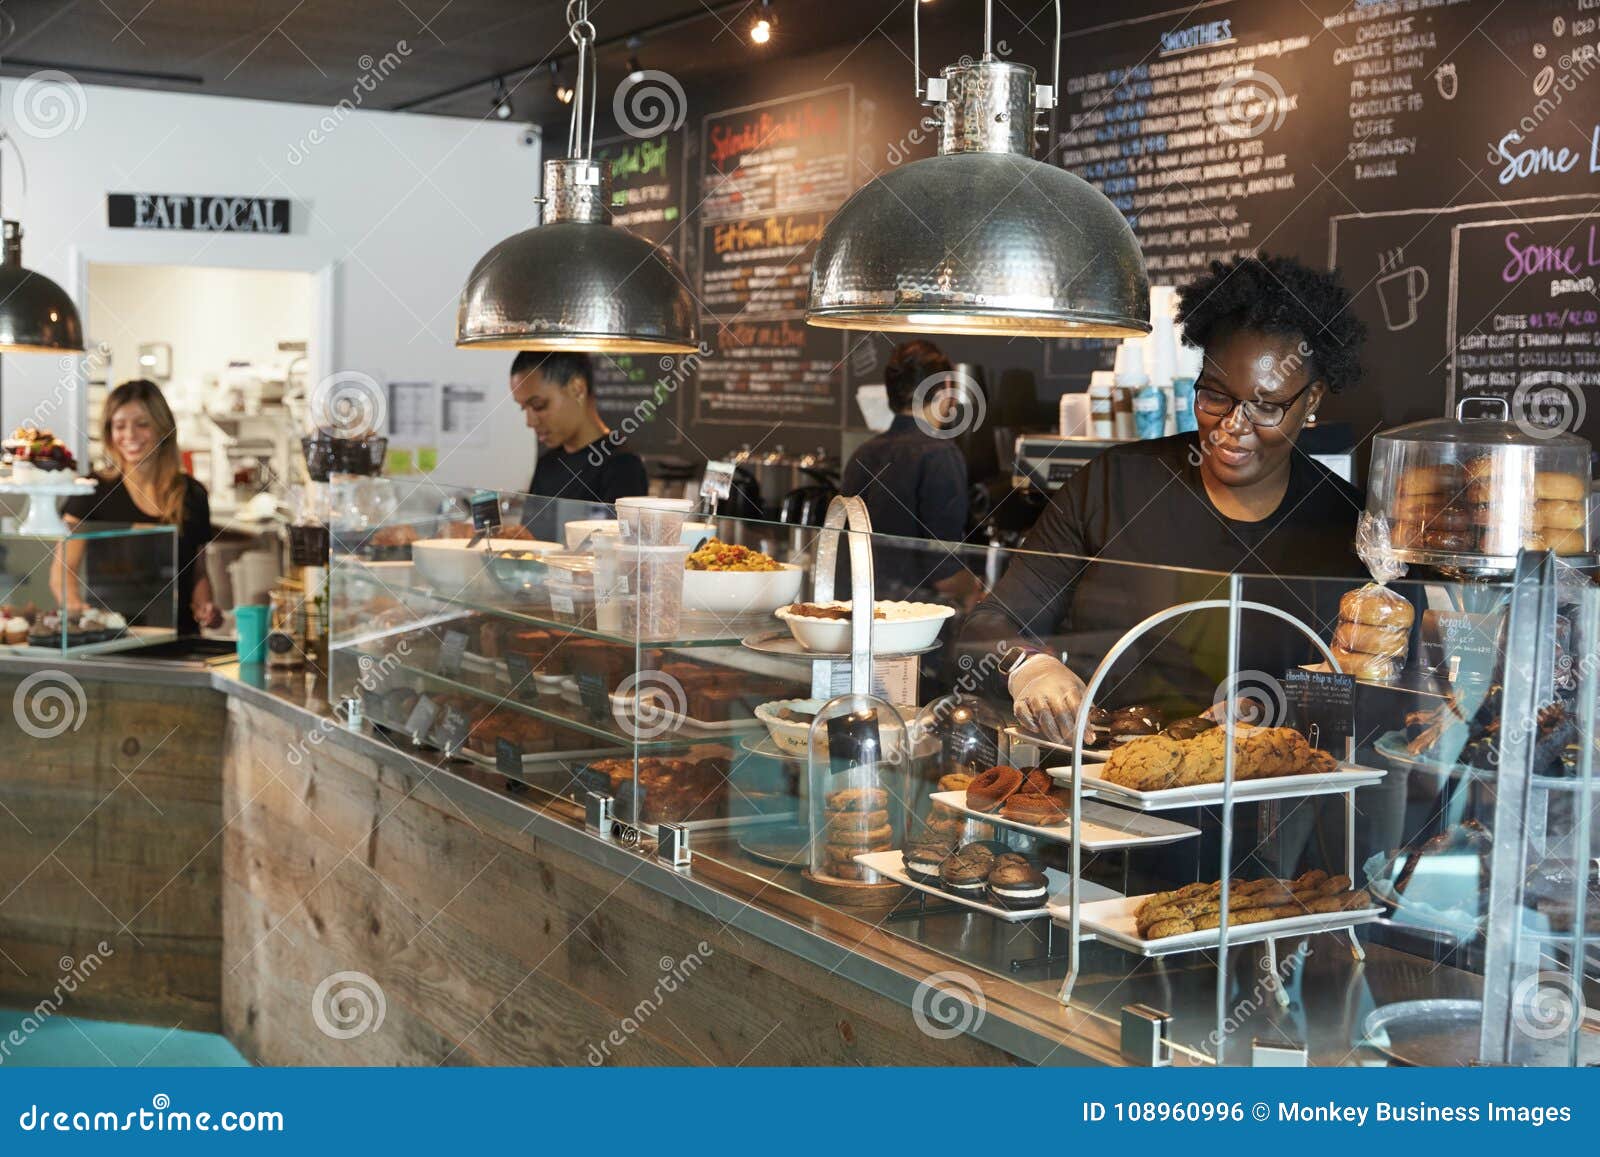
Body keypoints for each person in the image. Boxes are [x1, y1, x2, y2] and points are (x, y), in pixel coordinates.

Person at [963, 254, 1369, 742]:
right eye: (1215, 395)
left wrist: (1281, 704)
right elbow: (989, 624)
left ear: (1313, 400)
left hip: (1264, 782)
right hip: (1101, 771)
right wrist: (1029, 667)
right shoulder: (1113, 485)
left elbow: (1366, 680)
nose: (1233, 426)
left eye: (1265, 406)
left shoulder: (1345, 525)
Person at [59, 379, 221, 635]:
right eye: (119, 426)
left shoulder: (192, 493)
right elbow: (63, 570)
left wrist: (205, 606)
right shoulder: (91, 491)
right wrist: (78, 610)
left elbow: (198, 572)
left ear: (162, 428)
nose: (130, 435)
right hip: (112, 639)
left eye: (142, 424)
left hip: (179, 639)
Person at [841, 340, 974, 601]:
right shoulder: (940, 455)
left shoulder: (862, 454)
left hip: (859, 608)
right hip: (915, 615)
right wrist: (974, 588)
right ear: (947, 387)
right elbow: (943, 574)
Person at [511, 351, 649, 537]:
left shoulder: (623, 465)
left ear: (577, 389)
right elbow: (531, 537)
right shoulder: (547, 463)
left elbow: (620, 545)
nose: (530, 421)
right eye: (524, 408)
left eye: (538, 405)